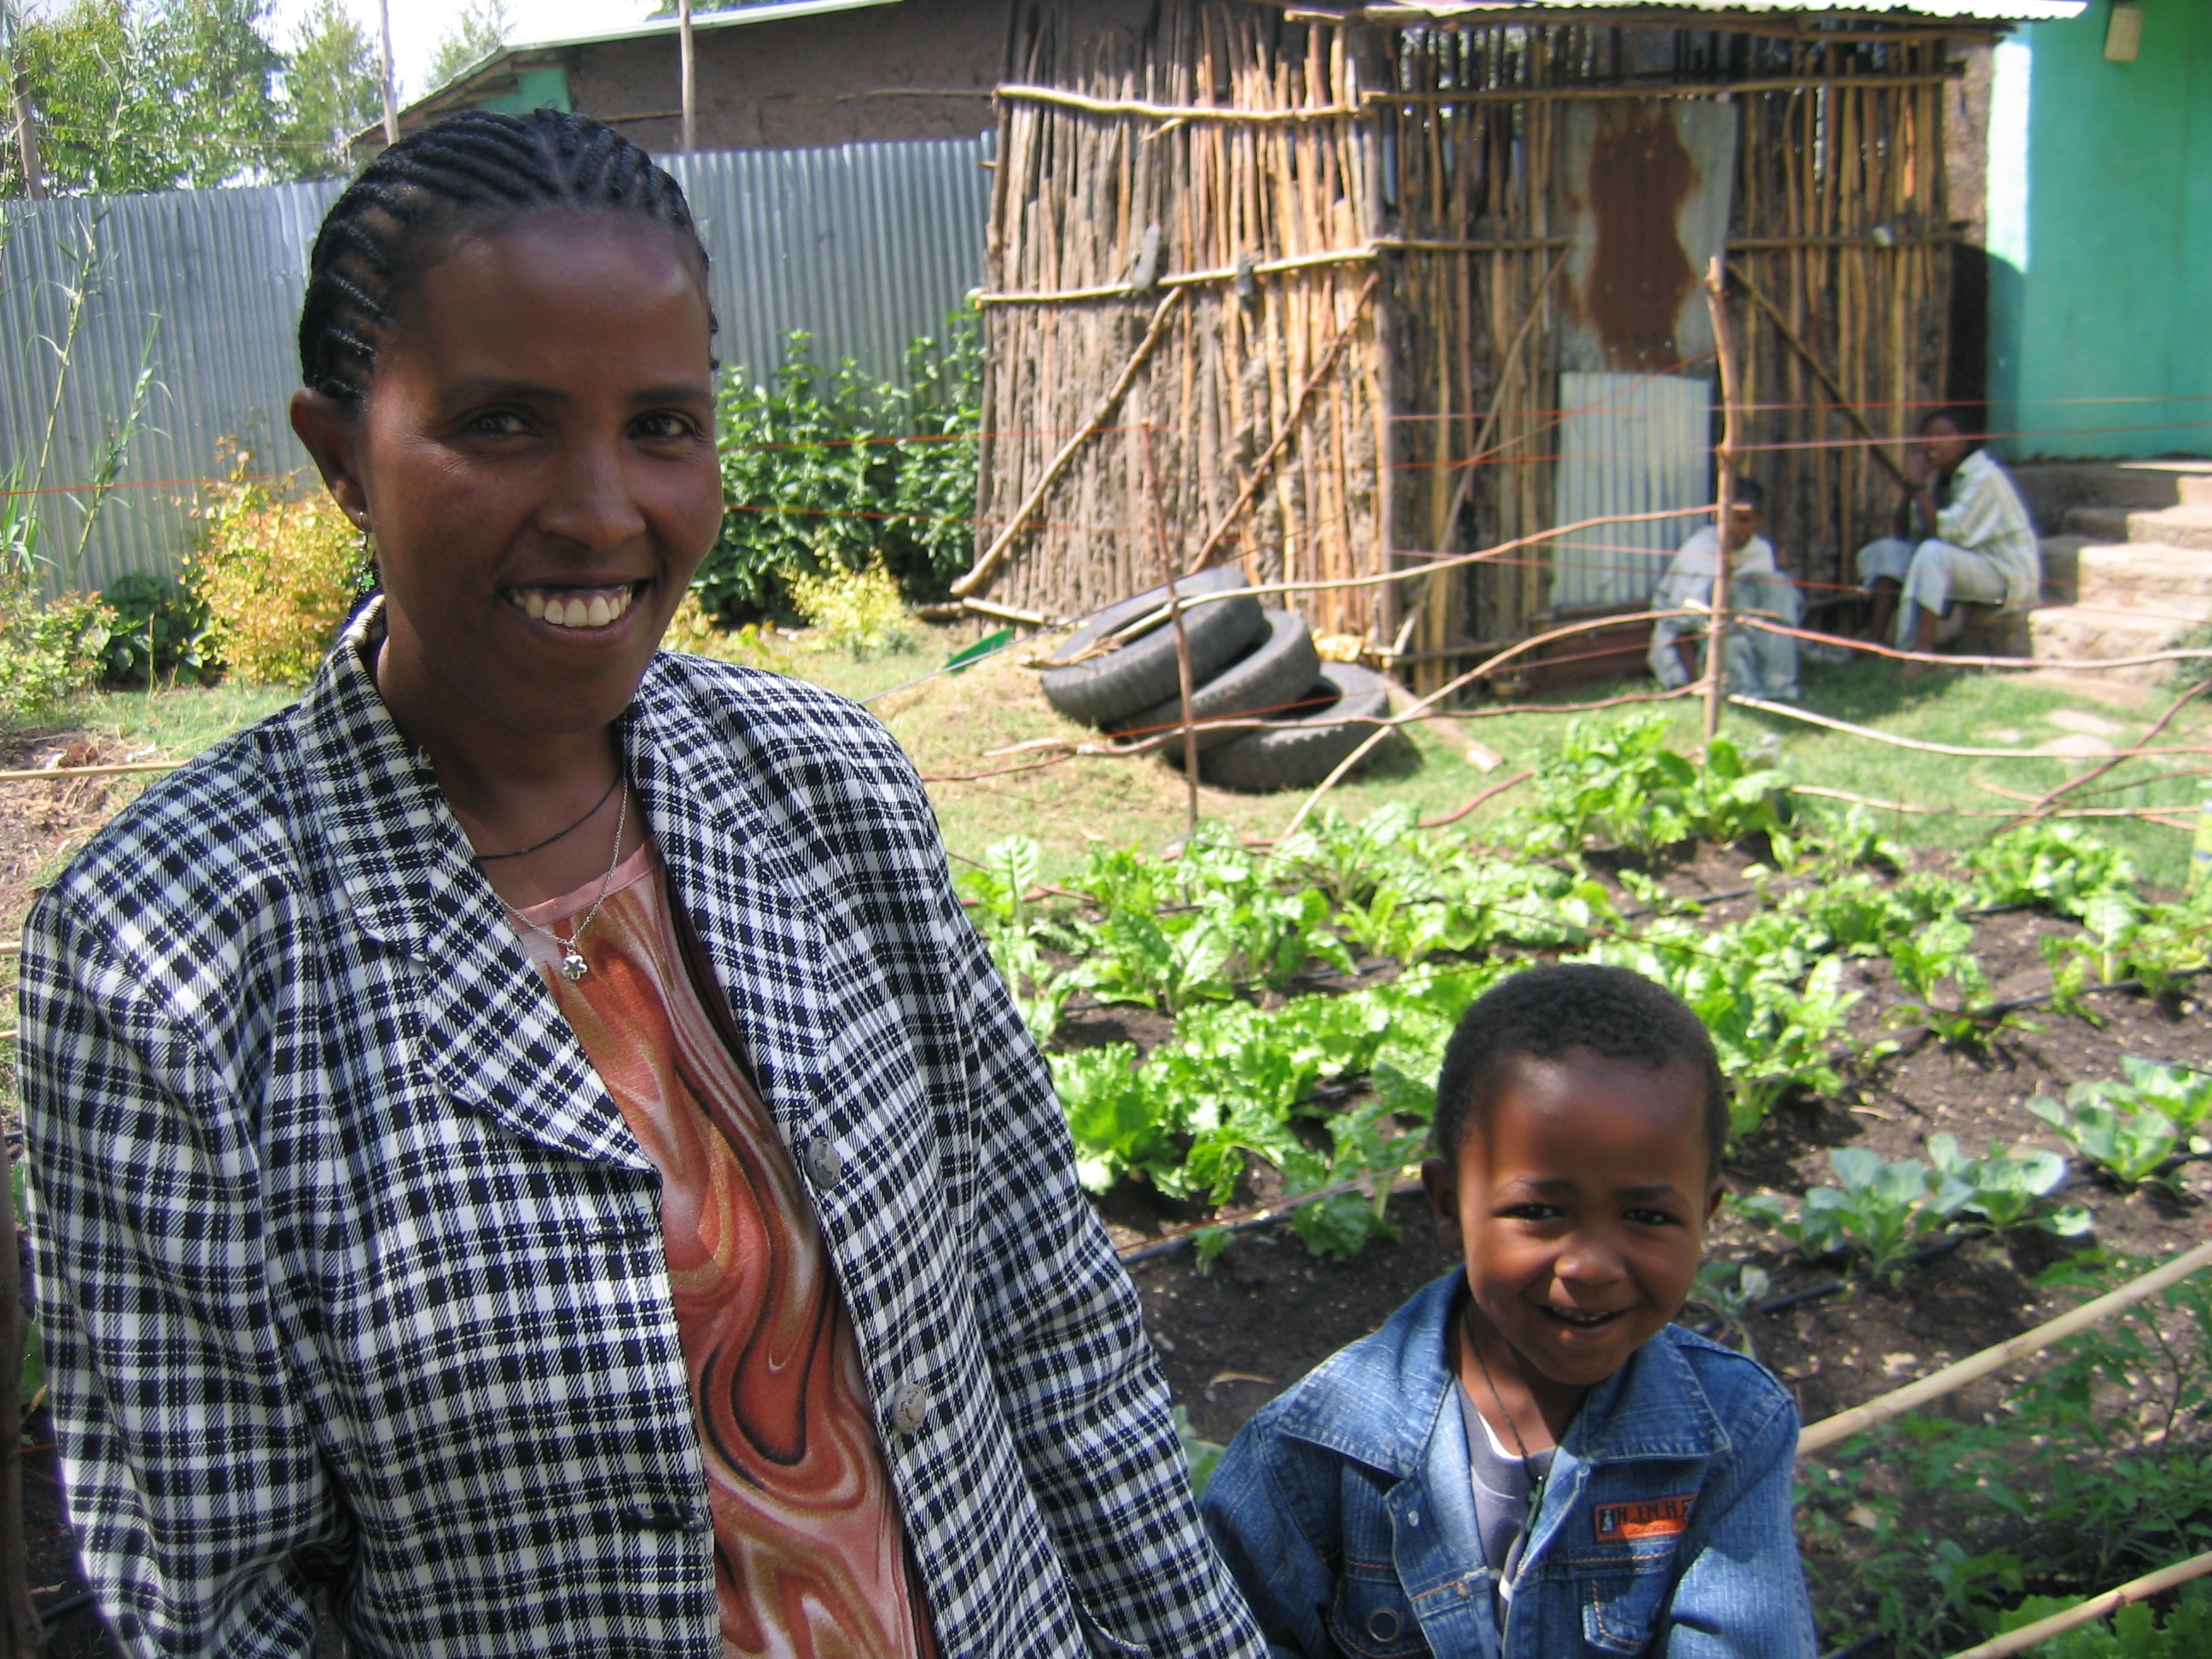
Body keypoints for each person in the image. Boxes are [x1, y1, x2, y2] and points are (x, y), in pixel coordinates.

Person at [18, 110, 1264, 1659]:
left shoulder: (823, 786)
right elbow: (219, 1607)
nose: (604, 509)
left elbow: (1047, 1312)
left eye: (664, 424)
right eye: (500, 424)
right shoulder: (171, 958)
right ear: (340, 458)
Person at [1200, 964, 1816, 1658]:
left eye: (1647, 1215)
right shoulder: (1314, 1452)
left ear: (1706, 1216)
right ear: (1446, 1205)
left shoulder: (1734, 1432)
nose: (1590, 1265)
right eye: (1538, 1212)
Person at [1856, 407, 2040, 672]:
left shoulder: (1984, 477)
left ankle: (1924, 654)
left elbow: (1945, 533)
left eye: (1943, 436)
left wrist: (1920, 487)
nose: (1932, 444)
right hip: (1968, 563)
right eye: (1927, 437)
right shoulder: (1940, 477)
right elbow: (1904, 534)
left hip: (2004, 574)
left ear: (1964, 441)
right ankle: (1874, 643)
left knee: (1934, 553)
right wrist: (1911, 488)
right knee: (1888, 552)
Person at [1645, 479, 1802, 701]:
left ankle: (1779, 686)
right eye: (1728, 520)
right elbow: (1686, 615)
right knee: (1733, 640)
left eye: (1744, 520)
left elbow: (1771, 604)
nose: (1735, 528)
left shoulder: (1760, 549)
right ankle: (1742, 692)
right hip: (1702, 626)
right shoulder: (1700, 549)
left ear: (1759, 520)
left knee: (1778, 589)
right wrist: (1723, 585)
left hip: (1749, 623)